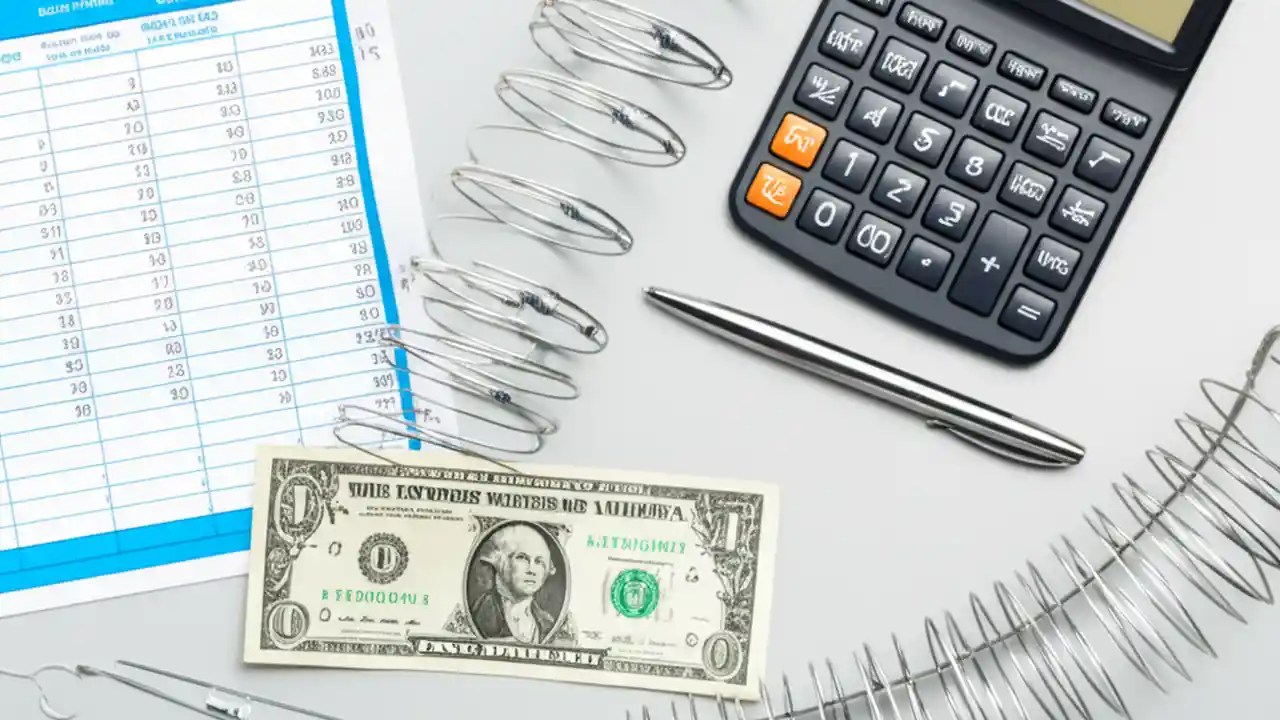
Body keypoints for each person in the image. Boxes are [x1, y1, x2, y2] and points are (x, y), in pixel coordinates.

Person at [469, 523, 560, 643]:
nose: (532, 570)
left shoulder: (547, 623)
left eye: (539, 562)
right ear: (498, 561)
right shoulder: (478, 612)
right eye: (522, 558)